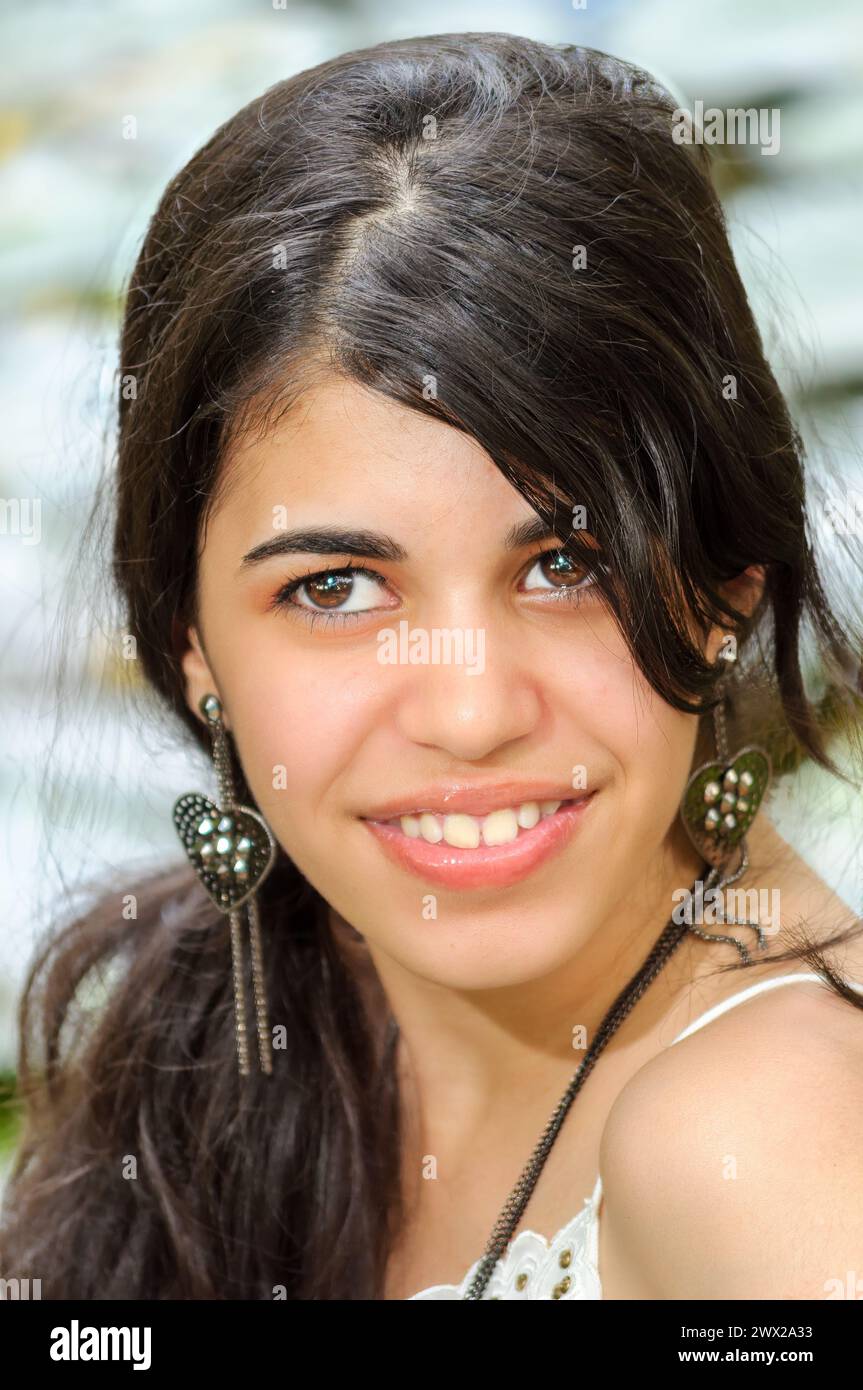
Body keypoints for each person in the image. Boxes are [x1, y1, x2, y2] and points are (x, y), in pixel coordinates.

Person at [2, 31, 862, 1301]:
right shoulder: (239, 1003)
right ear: (190, 644)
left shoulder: (766, 1147)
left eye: (565, 565)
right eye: (334, 588)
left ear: (724, 589)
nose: (468, 711)